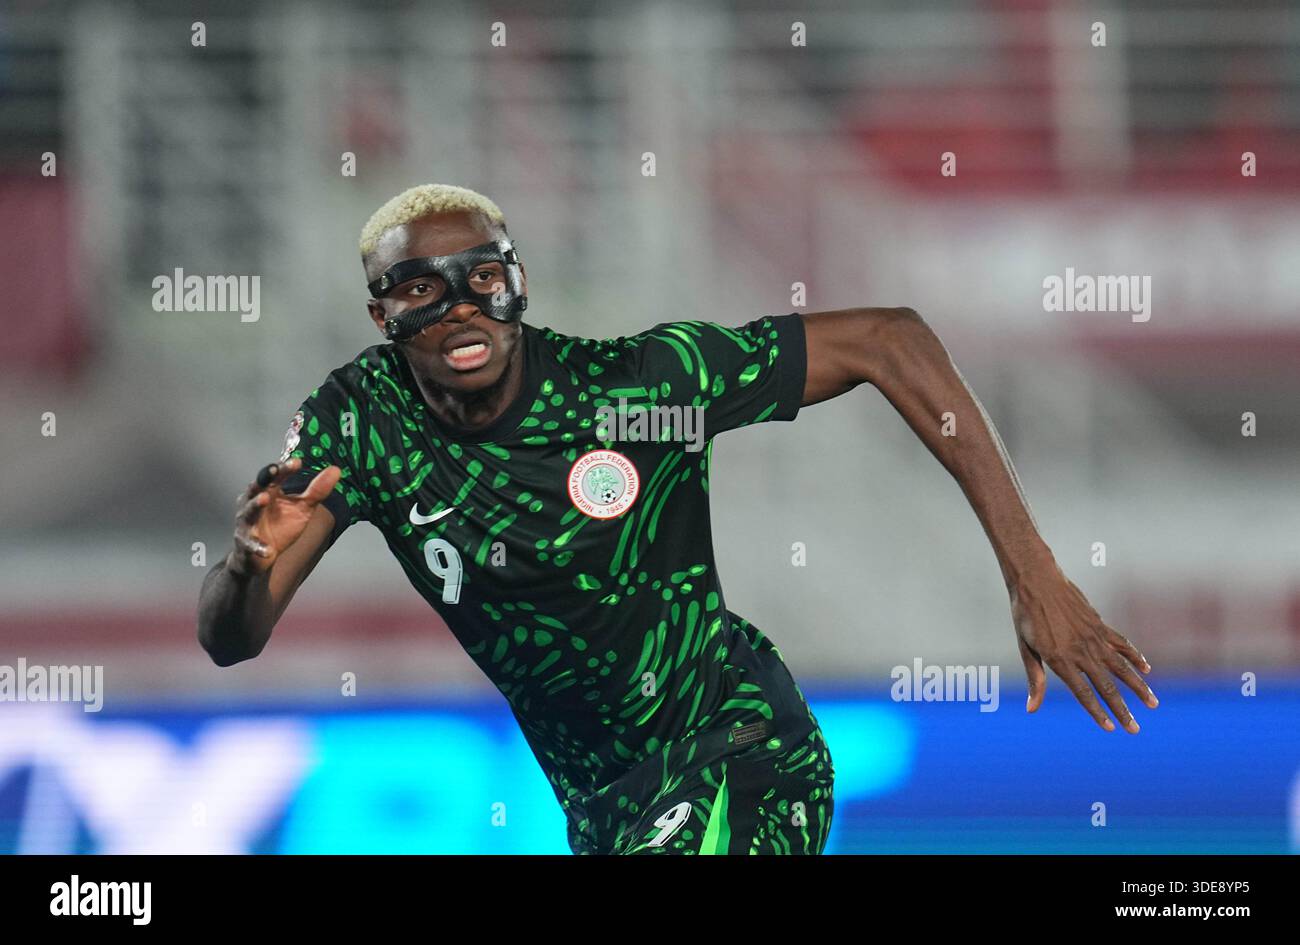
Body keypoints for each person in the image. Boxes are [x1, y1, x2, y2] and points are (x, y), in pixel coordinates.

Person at [197, 183, 1157, 854]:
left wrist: (1034, 572)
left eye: (480, 276)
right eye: (421, 289)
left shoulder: (637, 392)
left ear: (517, 279)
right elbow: (231, 642)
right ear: (382, 316)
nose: (459, 308)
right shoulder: (360, 424)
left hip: (742, 753)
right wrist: (244, 567)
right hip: (608, 815)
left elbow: (890, 340)